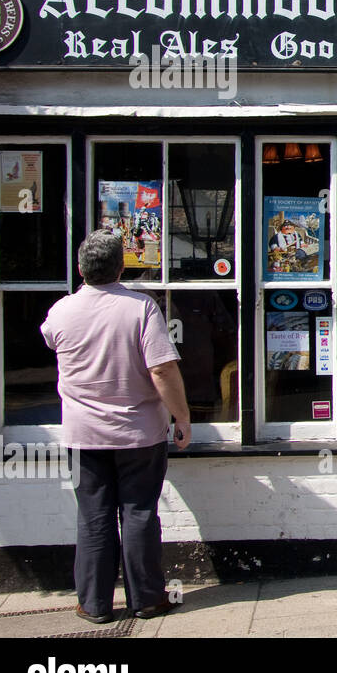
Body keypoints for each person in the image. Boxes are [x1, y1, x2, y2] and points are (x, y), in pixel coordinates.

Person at [40, 230, 192, 624]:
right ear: (122, 267)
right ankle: (148, 599)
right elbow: (161, 368)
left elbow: (51, 342)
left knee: (93, 517)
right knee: (139, 513)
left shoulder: (61, 311)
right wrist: (182, 416)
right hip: (138, 433)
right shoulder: (141, 308)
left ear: (80, 268)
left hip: (83, 435)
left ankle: (93, 605)